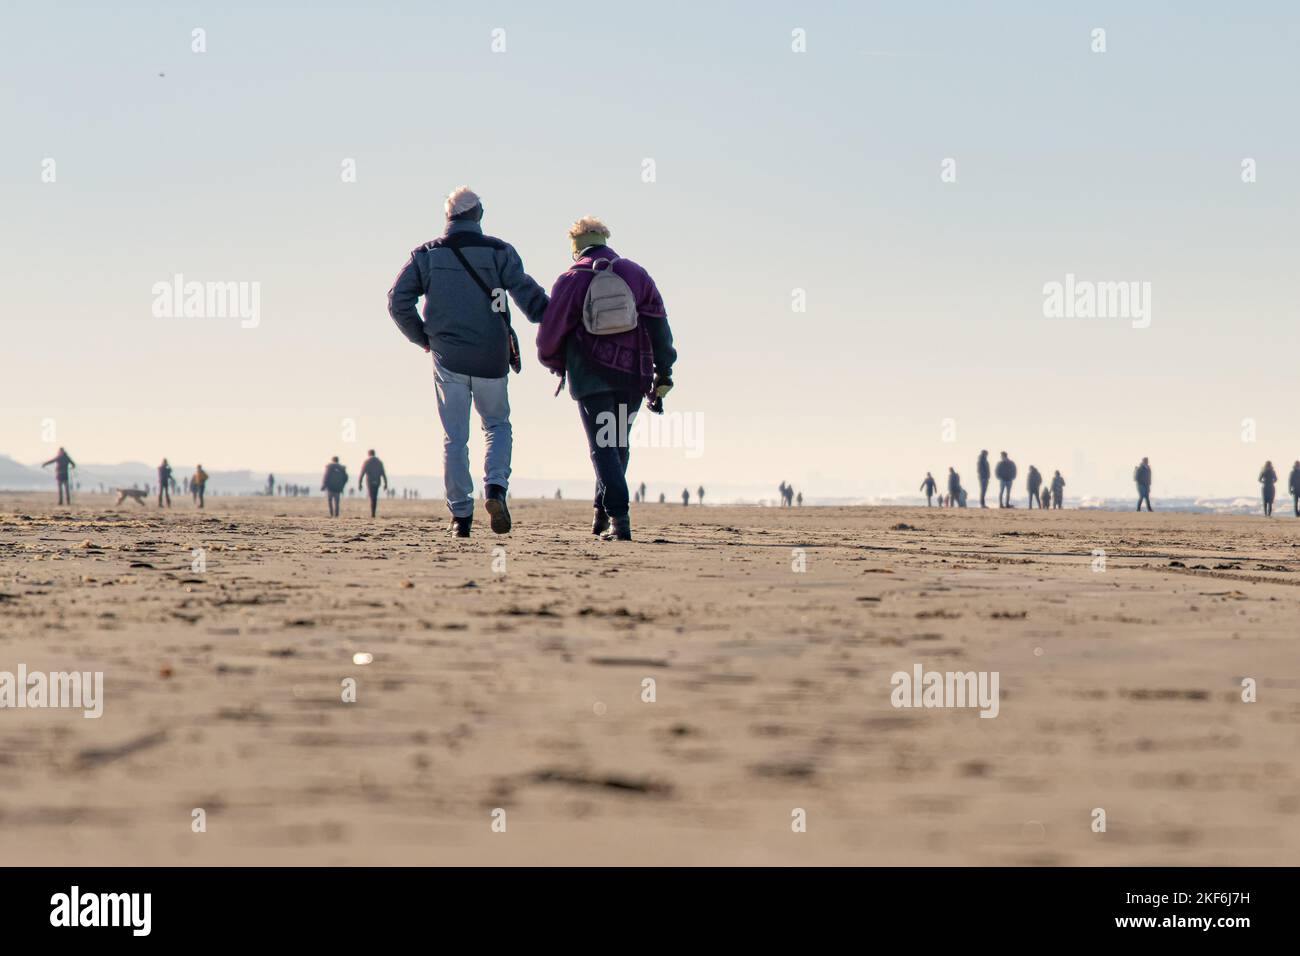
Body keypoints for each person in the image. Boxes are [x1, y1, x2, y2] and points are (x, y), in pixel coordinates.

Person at [388, 186, 549, 538]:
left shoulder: (426, 255)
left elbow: (397, 302)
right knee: (497, 425)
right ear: (479, 215)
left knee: (454, 438)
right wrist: (558, 319)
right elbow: (529, 297)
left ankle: (461, 516)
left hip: (449, 359)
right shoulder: (499, 252)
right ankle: (495, 489)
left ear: (448, 218)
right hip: (491, 357)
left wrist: (423, 338)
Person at [536, 216, 676, 542]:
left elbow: (550, 334)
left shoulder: (572, 278)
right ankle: (603, 511)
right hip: (633, 375)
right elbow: (659, 324)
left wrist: (556, 362)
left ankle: (619, 519)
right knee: (617, 444)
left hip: (590, 376)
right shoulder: (636, 273)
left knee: (603, 446)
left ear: (576, 247)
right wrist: (664, 370)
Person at [358, 450, 388, 518]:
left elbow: (362, 473)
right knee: (375, 497)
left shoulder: (367, 462)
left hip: (370, 481)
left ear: (368, 454)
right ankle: (373, 512)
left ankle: (373, 513)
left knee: (372, 497)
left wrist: (360, 483)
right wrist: (385, 483)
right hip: (377, 481)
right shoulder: (379, 462)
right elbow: (383, 473)